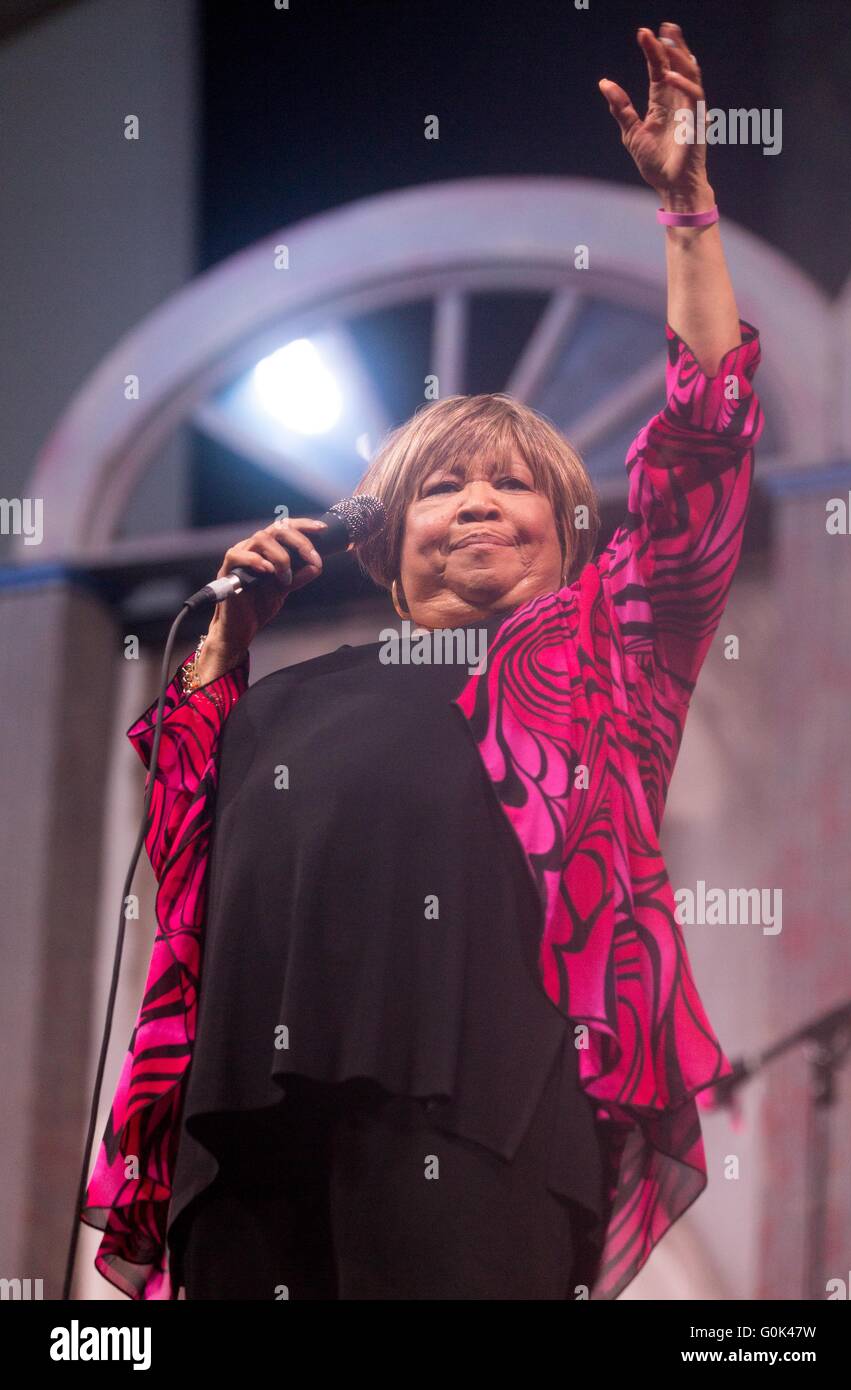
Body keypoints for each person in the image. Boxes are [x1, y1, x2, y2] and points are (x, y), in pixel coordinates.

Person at [82, 21, 765, 1300]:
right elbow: (178, 858)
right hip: (241, 1137)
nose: (477, 502)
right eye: (443, 485)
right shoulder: (276, 696)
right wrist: (222, 647)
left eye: (514, 487)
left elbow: (701, 447)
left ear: (565, 540)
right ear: (383, 538)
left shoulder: (602, 657)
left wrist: (685, 210)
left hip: (480, 1118)